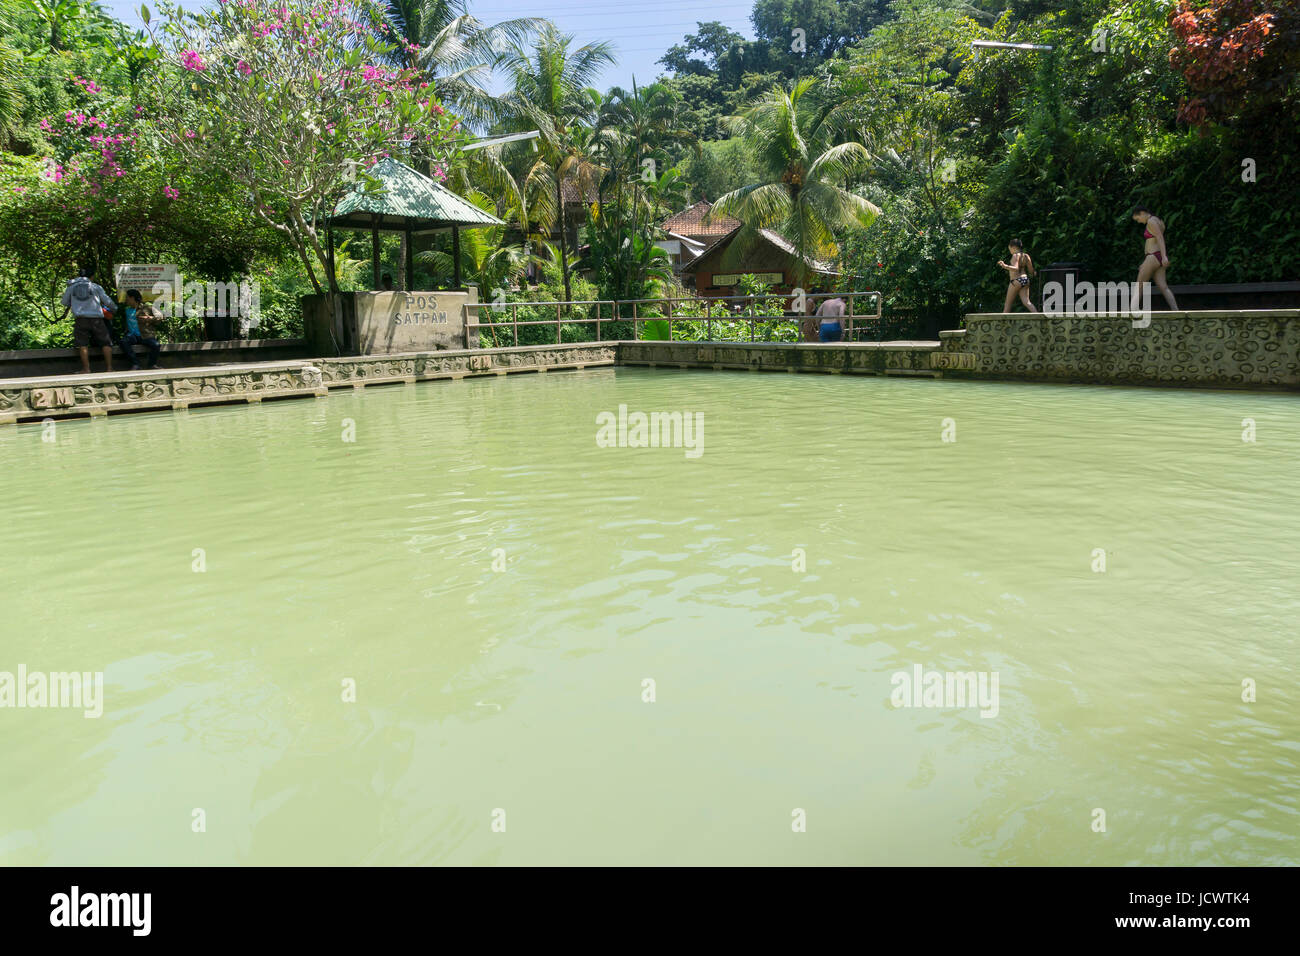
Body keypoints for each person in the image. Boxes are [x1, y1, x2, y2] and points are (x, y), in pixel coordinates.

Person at [60, 267, 117, 373]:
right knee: (106, 342)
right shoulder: (95, 287)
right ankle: (109, 368)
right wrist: (114, 309)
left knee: (82, 344)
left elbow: (64, 302)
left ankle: (86, 369)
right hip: (97, 319)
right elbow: (107, 301)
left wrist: (75, 303)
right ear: (92, 276)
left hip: (81, 319)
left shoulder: (71, 287)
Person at [1131, 206, 1179, 310]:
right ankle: (1176, 310)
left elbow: (1160, 238)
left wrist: (1164, 256)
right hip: (1157, 258)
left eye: (1138, 219)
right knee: (1163, 287)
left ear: (1142, 213)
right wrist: (1162, 257)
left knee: (1139, 286)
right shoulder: (1159, 221)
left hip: (1153, 257)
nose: (1139, 222)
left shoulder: (1151, 221)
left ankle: (1132, 312)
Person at [121, 289, 162, 370]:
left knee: (156, 345)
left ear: (132, 298)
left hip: (145, 335)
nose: (126, 300)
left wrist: (149, 319)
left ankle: (152, 365)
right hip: (132, 335)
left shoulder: (147, 307)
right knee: (123, 342)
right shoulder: (127, 310)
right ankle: (136, 364)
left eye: (127, 298)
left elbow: (160, 316)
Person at [997, 239, 1038, 313]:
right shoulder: (1026, 256)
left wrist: (1005, 266)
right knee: (1027, 302)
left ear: (1013, 247)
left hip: (1016, 281)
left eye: (1009, 248)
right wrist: (1034, 273)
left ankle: (1003, 323)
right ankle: (1039, 318)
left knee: (1008, 304)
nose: (1010, 251)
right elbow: (1031, 271)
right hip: (1025, 280)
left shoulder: (1015, 256)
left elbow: (1016, 268)